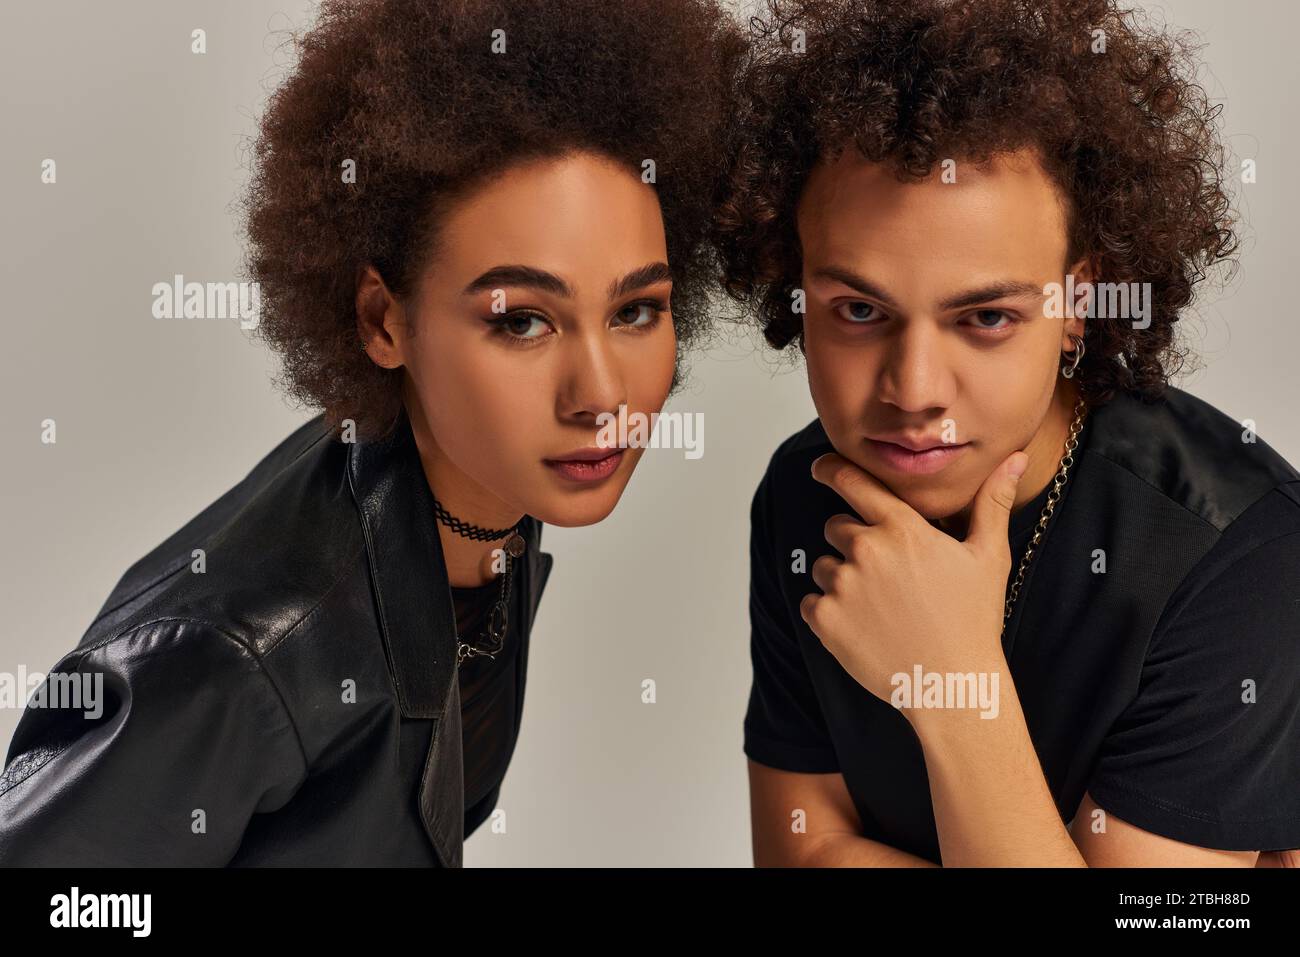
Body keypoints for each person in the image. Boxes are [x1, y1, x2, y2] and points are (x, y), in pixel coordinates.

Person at [0, 0, 744, 866]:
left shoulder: (485, 495)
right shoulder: (237, 655)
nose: (602, 394)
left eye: (636, 310)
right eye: (522, 322)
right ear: (383, 320)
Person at [715, 0, 1300, 866]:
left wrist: (954, 680)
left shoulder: (1245, 552)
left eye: (985, 315)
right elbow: (802, 854)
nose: (913, 390)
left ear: (1077, 304)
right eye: (860, 309)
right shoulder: (806, 493)